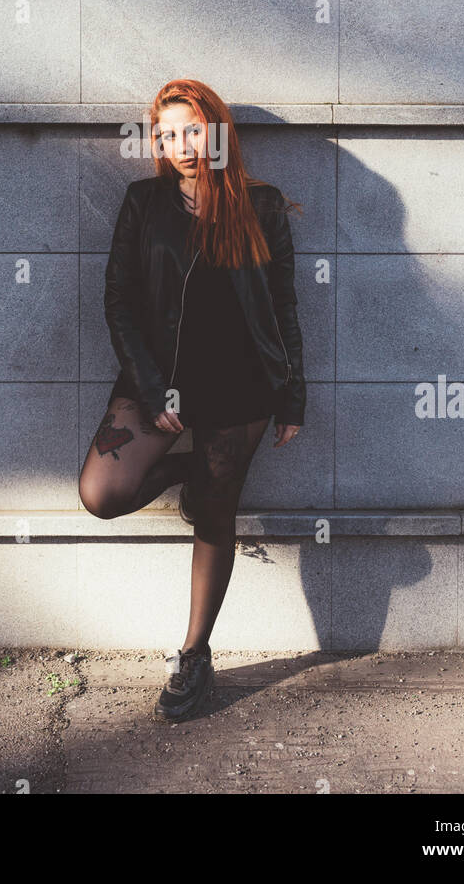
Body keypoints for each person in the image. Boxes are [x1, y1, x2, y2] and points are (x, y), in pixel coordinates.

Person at [78, 77, 306, 723]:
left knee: (214, 517)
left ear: (216, 132)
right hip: (157, 380)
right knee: (104, 493)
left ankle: (194, 654)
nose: (178, 144)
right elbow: (117, 300)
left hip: (241, 387)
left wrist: (293, 397)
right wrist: (149, 388)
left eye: (189, 130)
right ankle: (186, 474)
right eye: (166, 133)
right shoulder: (143, 202)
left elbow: (283, 306)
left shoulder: (258, 206)